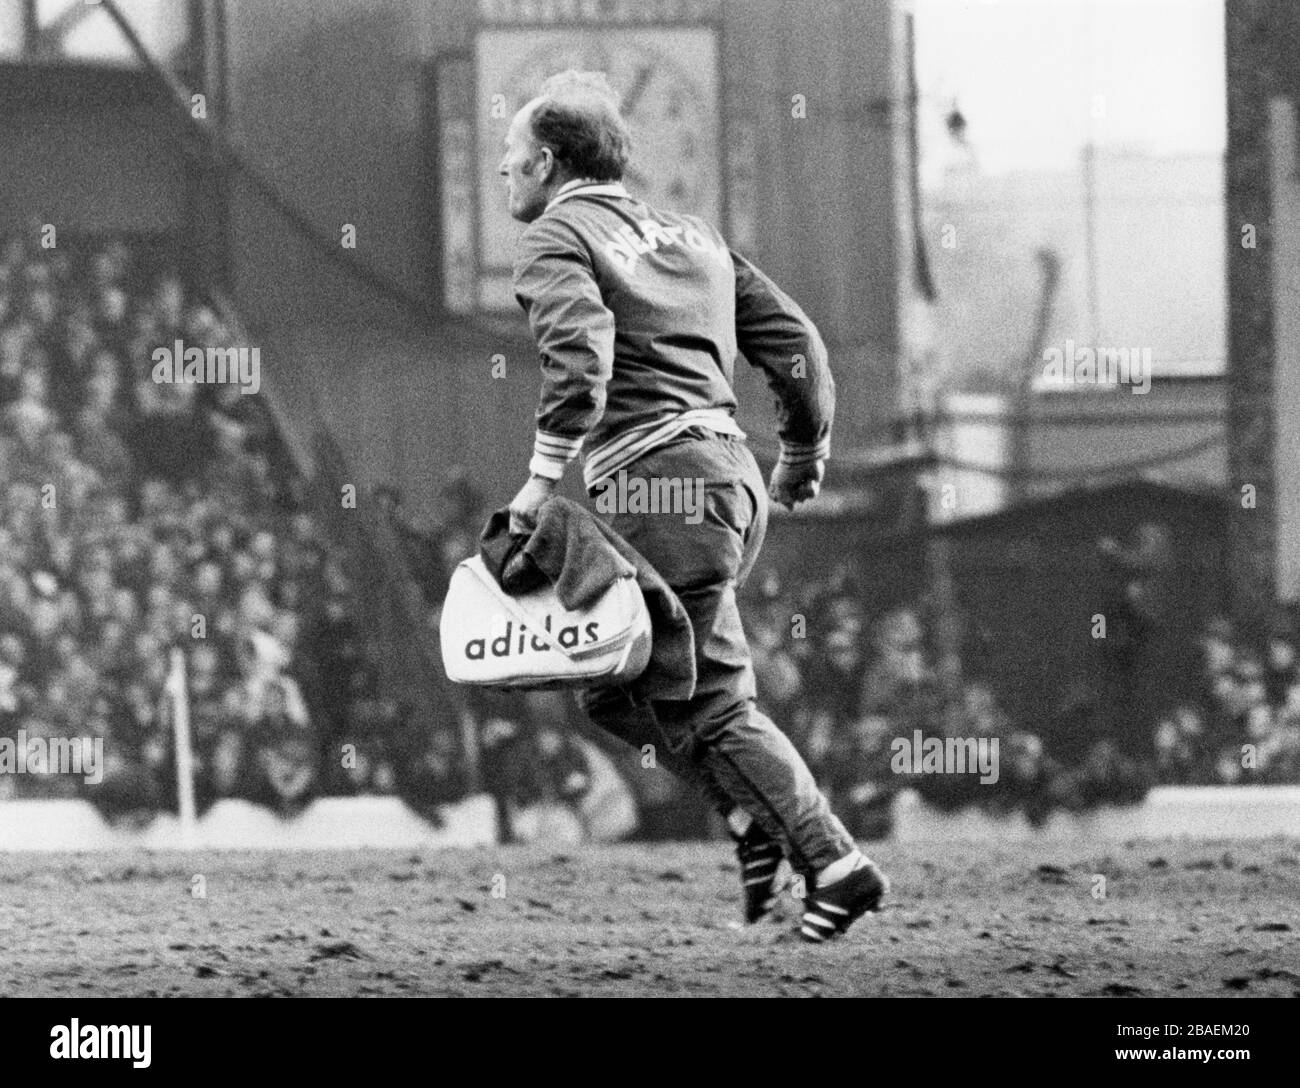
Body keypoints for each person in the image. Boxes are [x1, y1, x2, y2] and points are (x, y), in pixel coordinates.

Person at [497, 70, 888, 942]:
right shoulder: (695, 235)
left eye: (511, 161)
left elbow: (582, 357)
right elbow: (796, 343)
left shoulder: (558, 235)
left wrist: (539, 477)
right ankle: (753, 827)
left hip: (655, 486)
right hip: (729, 480)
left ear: (551, 162)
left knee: (708, 700)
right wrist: (804, 451)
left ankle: (836, 863)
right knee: (609, 682)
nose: (504, 177)